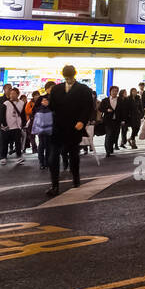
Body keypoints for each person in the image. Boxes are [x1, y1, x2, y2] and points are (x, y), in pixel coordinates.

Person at [46, 67, 92, 195]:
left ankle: (76, 178)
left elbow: (88, 107)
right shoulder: (56, 88)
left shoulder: (83, 89)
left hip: (74, 127)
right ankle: (54, 185)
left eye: (70, 77)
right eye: (66, 77)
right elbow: (53, 107)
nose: (68, 79)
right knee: (53, 157)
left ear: (74, 75)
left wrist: (82, 121)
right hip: (58, 127)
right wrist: (47, 103)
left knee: (73, 155)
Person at [0, 87, 28, 164]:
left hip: (17, 126)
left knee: (18, 142)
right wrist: (4, 124)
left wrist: (23, 124)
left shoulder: (22, 103)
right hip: (7, 126)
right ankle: (2, 157)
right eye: (11, 94)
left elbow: (23, 114)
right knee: (5, 142)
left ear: (18, 94)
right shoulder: (6, 103)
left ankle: (19, 157)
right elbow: (1, 115)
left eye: (13, 93)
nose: (11, 95)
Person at [33, 84, 55, 169]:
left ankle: (48, 161)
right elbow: (34, 110)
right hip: (42, 125)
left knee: (49, 144)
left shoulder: (56, 98)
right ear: (46, 89)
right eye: (51, 88)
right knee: (42, 144)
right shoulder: (41, 98)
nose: (53, 90)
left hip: (52, 125)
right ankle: (41, 162)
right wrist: (43, 105)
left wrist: (48, 106)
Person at [98, 86, 121, 157]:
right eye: (113, 91)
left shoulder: (120, 100)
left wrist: (123, 120)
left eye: (116, 91)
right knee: (109, 135)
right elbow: (100, 108)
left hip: (117, 121)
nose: (114, 92)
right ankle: (107, 151)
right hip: (108, 121)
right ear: (110, 92)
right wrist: (106, 110)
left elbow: (123, 110)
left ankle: (111, 148)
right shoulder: (105, 100)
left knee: (115, 135)